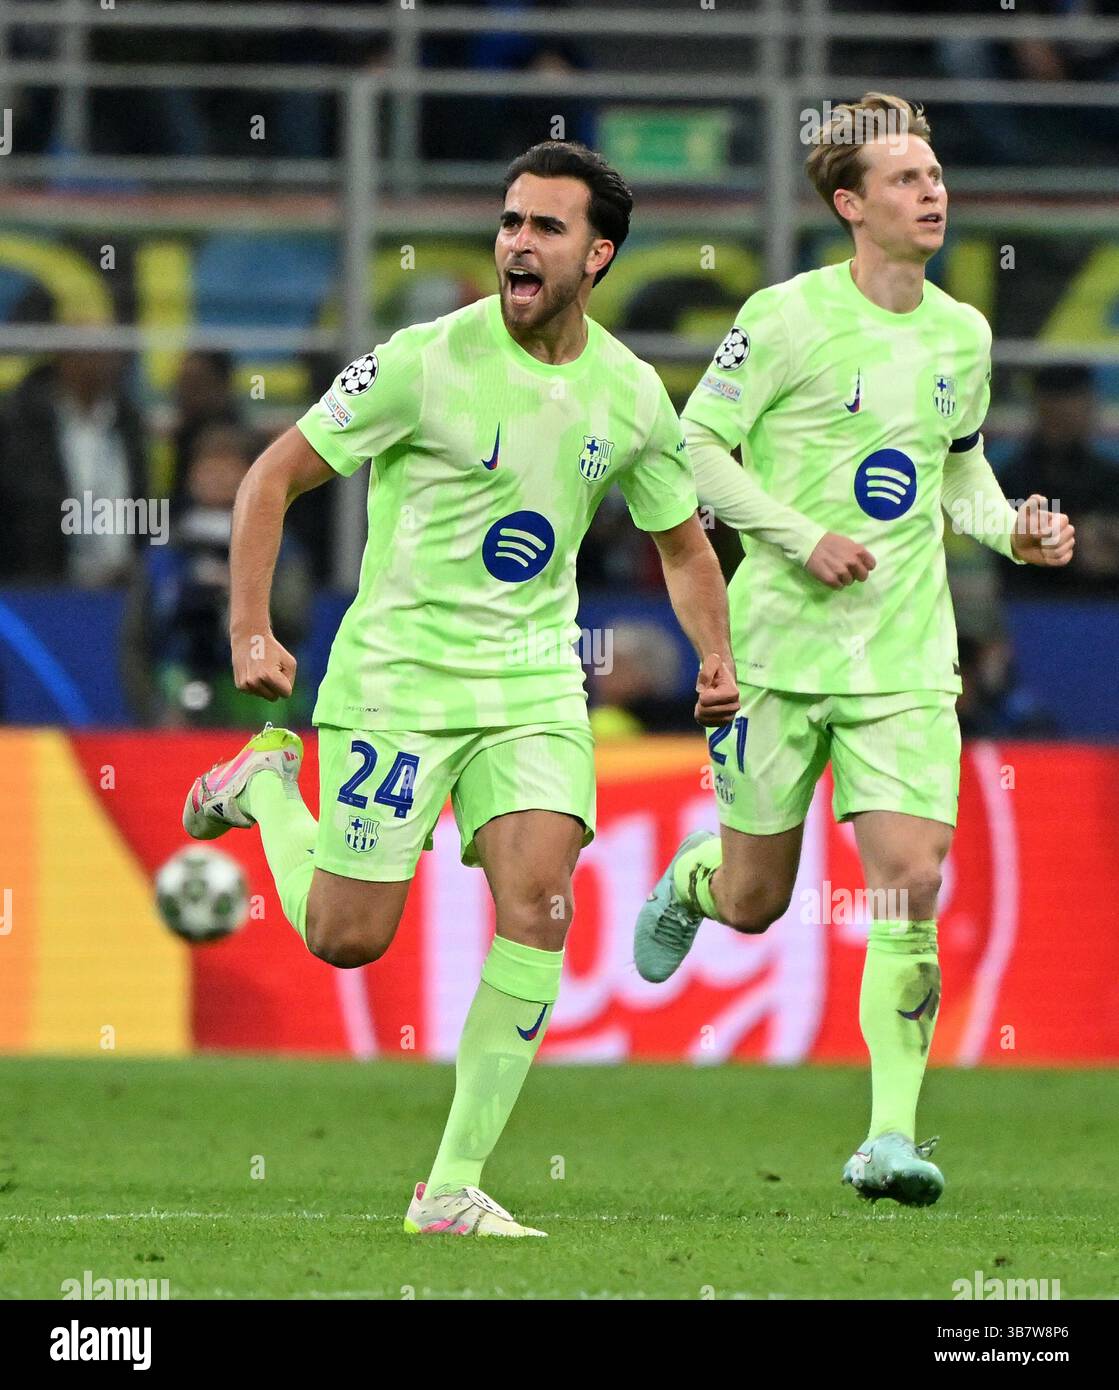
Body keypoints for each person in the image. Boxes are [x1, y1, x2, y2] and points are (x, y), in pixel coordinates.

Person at [179, 141, 739, 1237]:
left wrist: (714, 655)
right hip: (399, 681)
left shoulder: (629, 394)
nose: (518, 243)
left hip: (532, 683)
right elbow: (270, 477)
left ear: (599, 255)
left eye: (546, 227)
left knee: (542, 899)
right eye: (510, 221)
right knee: (348, 936)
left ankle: (448, 1187)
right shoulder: (421, 362)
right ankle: (264, 788)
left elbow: (682, 546)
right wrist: (251, 626)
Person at [633, 93, 1075, 1207]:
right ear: (849, 204)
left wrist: (1015, 526)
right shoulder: (783, 318)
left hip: (906, 662)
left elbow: (960, 477)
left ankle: (889, 1136)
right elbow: (695, 446)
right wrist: (797, 536)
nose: (933, 193)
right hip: (778, 656)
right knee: (753, 899)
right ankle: (693, 879)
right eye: (907, 179)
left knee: (908, 884)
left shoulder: (960, 333)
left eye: (936, 175)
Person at [998, 364, 1119, 596]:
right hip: (1032, 604)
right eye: (1055, 405)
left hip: (1104, 607)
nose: (1062, 415)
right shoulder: (1014, 478)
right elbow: (1012, 551)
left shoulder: (1109, 477)